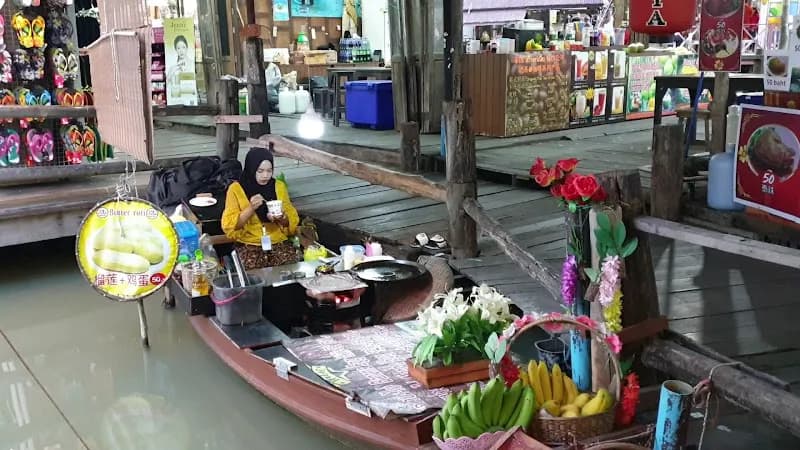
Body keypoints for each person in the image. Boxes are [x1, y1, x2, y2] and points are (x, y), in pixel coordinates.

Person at [222, 147, 300, 270]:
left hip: (277, 240)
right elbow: (231, 226)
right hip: (249, 242)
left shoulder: (279, 187)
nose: (265, 176)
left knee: (289, 267)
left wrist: (282, 218)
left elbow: (290, 223)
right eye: (260, 171)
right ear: (251, 169)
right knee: (253, 270)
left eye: (269, 171)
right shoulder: (236, 189)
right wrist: (251, 208)